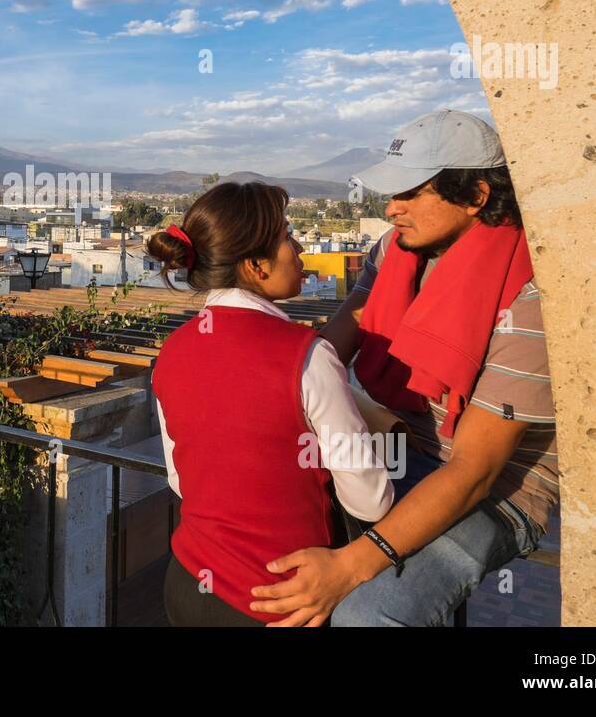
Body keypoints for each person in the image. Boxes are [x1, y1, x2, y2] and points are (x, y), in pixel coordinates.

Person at [249, 109, 555, 626]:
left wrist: (350, 567)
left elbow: (474, 471)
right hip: (392, 442)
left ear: (476, 196)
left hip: (497, 488)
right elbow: (332, 346)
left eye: (410, 193)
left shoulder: (529, 294)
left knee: (367, 616)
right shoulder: (394, 250)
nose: (391, 209)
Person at [147, 181, 395, 626]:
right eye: (286, 236)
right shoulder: (306, 357)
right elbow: (370, 501)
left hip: (186, 582)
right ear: (255, 265)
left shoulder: (173, 350)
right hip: (278, 602)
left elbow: (182, 481)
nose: (298, 249)